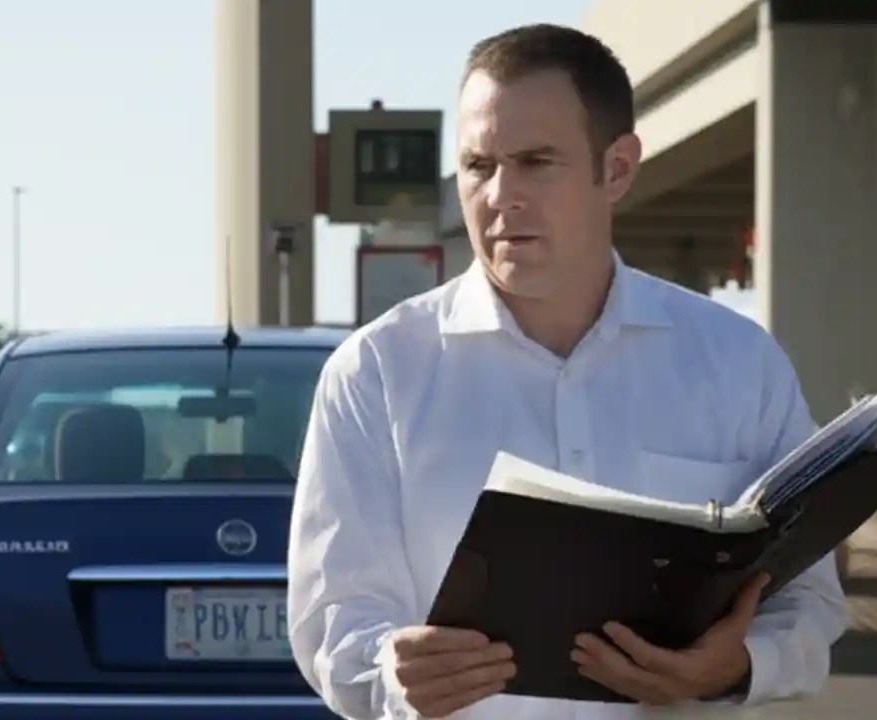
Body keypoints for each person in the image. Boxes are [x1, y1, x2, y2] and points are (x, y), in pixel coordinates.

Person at [287, 23, 847, 720]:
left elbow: (811, 600)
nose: (499, 196)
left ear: (616, 169)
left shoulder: (736, 362)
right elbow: (335, 624)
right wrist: (395, 676)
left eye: (535, 161)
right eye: (478, 166)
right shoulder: (375, 374)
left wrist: (737, 664)